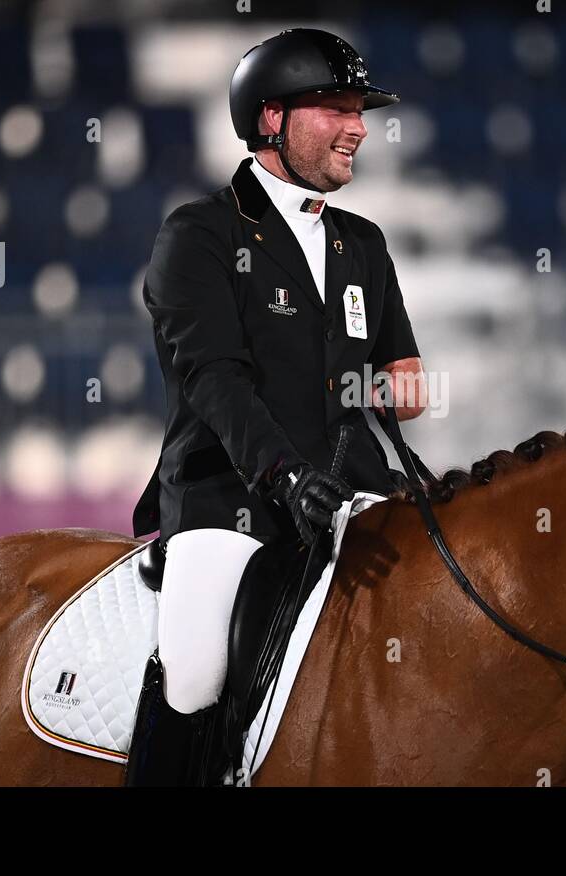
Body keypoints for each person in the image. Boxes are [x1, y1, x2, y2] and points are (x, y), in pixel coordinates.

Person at [126, 28, 426, 785]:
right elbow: (214, 380)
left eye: (360, 108)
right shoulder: (198, 234)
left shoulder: (364, 242)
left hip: (358, 496)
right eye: (335, 106)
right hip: (230, 498)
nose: (358, 125)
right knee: (193, 672)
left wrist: (377, 392)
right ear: (270, 120)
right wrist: (287, 477)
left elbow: (405, 382)